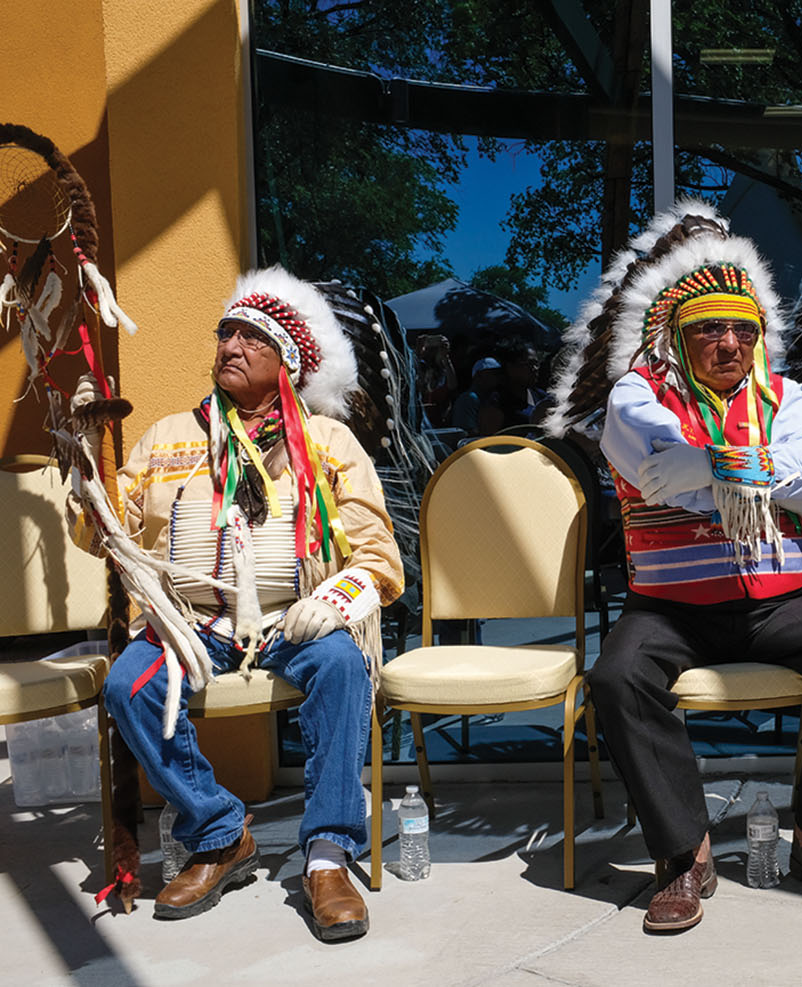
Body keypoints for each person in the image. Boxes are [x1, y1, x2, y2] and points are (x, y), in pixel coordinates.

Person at [544, 203, 802, 934]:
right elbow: (658, 462)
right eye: (710, 327)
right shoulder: (637, 395)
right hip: (669, 609)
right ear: (678, 336)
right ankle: (684, 852)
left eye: (742, 328)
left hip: (776, 600)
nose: (730, 342)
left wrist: (717, 465)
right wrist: (755, 470)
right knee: (616, 677)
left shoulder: (786, 396)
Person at [74, 266, 403, 941]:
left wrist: (338, 598)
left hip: (294, 619)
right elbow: (101, 533)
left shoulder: (328, 442)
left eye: (251, 337)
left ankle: (327, 854)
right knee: (128, 684)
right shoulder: (168, 436)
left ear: (285, 363)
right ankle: (222, 834)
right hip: (192, 623)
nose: (229, 344)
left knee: (342, 665)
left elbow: (379, 556)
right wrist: (85, 471)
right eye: (226, 332)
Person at [449, 355, 503, 437]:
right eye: (492, 373)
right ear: (478, 375)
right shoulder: (468, 399)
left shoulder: (492, 398)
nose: (496, 377)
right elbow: (466, 432)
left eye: (497, 373)